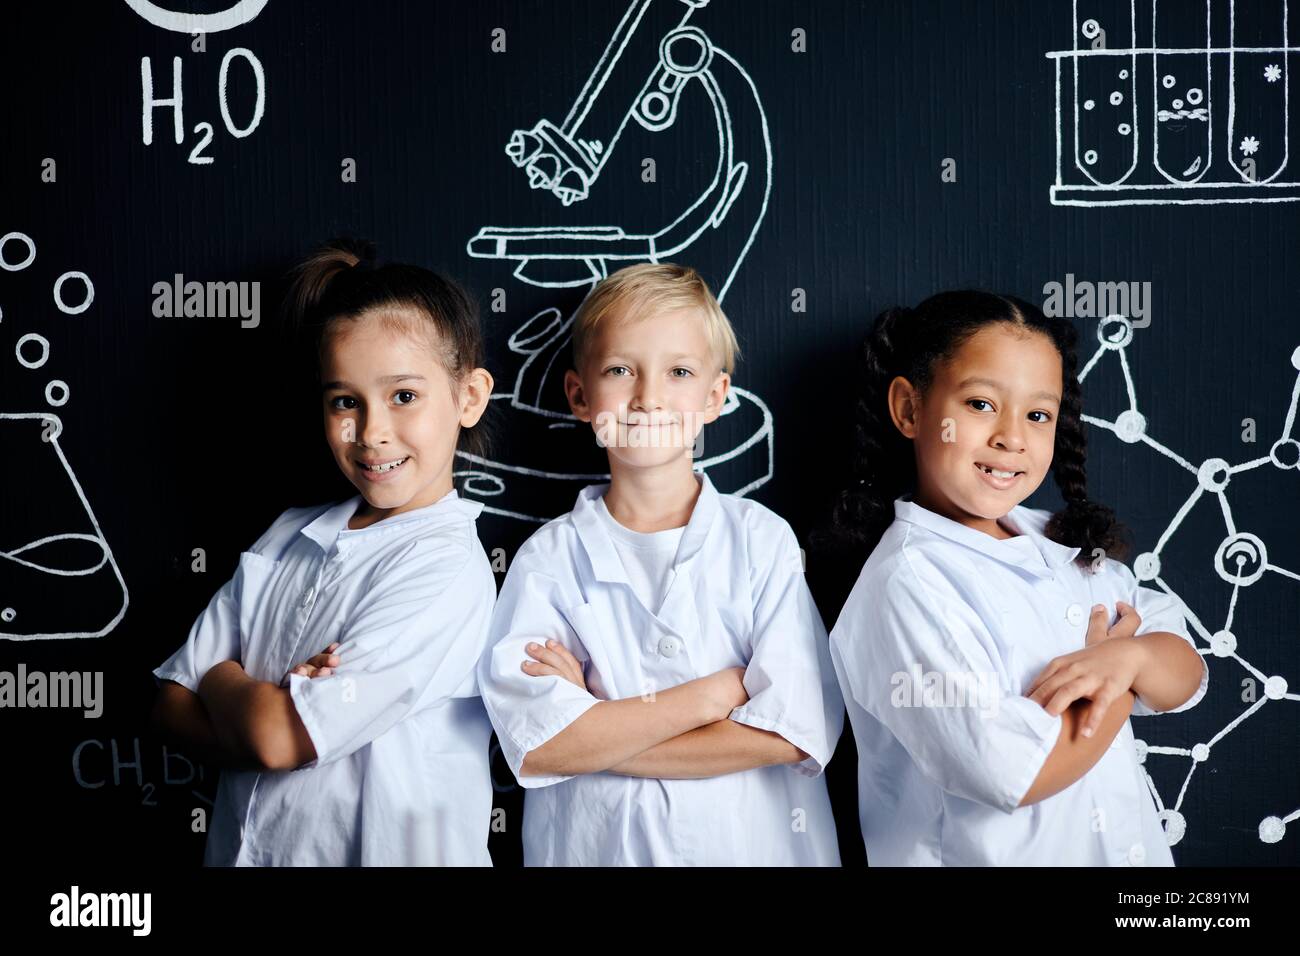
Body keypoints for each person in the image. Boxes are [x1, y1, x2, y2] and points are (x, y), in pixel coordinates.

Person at [478, 263, 843, 865]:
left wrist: (595, 728)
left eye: (678, 372)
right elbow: (538, 749)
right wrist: (711, 698)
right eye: (620, 370)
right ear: (579, 395)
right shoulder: (548, 558)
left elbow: (788, 732)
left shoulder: (760, 541)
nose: (647, 397)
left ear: (714, 398)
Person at [828, 290, 1208, 866]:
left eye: (1038, 414)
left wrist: (1126, 662)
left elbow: (1185, 674)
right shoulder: (906, 584)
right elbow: (1013, 772)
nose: (1011, 437)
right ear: (909, 408)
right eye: (980, 404)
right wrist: (1127, 676)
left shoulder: (1066, 545)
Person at [150, 238, 497, 865]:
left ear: (468, 397)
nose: (372, 433)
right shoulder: (288, 535)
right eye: (345, 402)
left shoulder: (444, 569)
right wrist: (257, 704)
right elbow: (170, 706)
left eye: (404, 396)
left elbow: (279, 739)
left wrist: (221, 679)